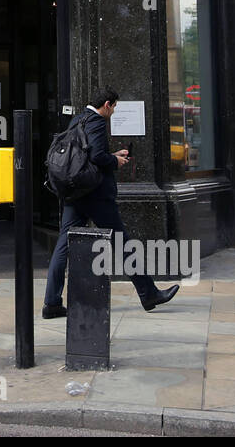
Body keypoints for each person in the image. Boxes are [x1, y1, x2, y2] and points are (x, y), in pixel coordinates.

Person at [42, 89, 178, 319]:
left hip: (76, 194)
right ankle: (149, 293)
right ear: (107, 104)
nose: (114, 112)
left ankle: (52, 302)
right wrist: (115, 160)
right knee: (123, 243)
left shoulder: (78, 119)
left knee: (63, 246)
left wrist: (112, 153)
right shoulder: (96, 121)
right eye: (114, 107)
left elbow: (86, 154)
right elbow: (96, 157)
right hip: (95, 196)